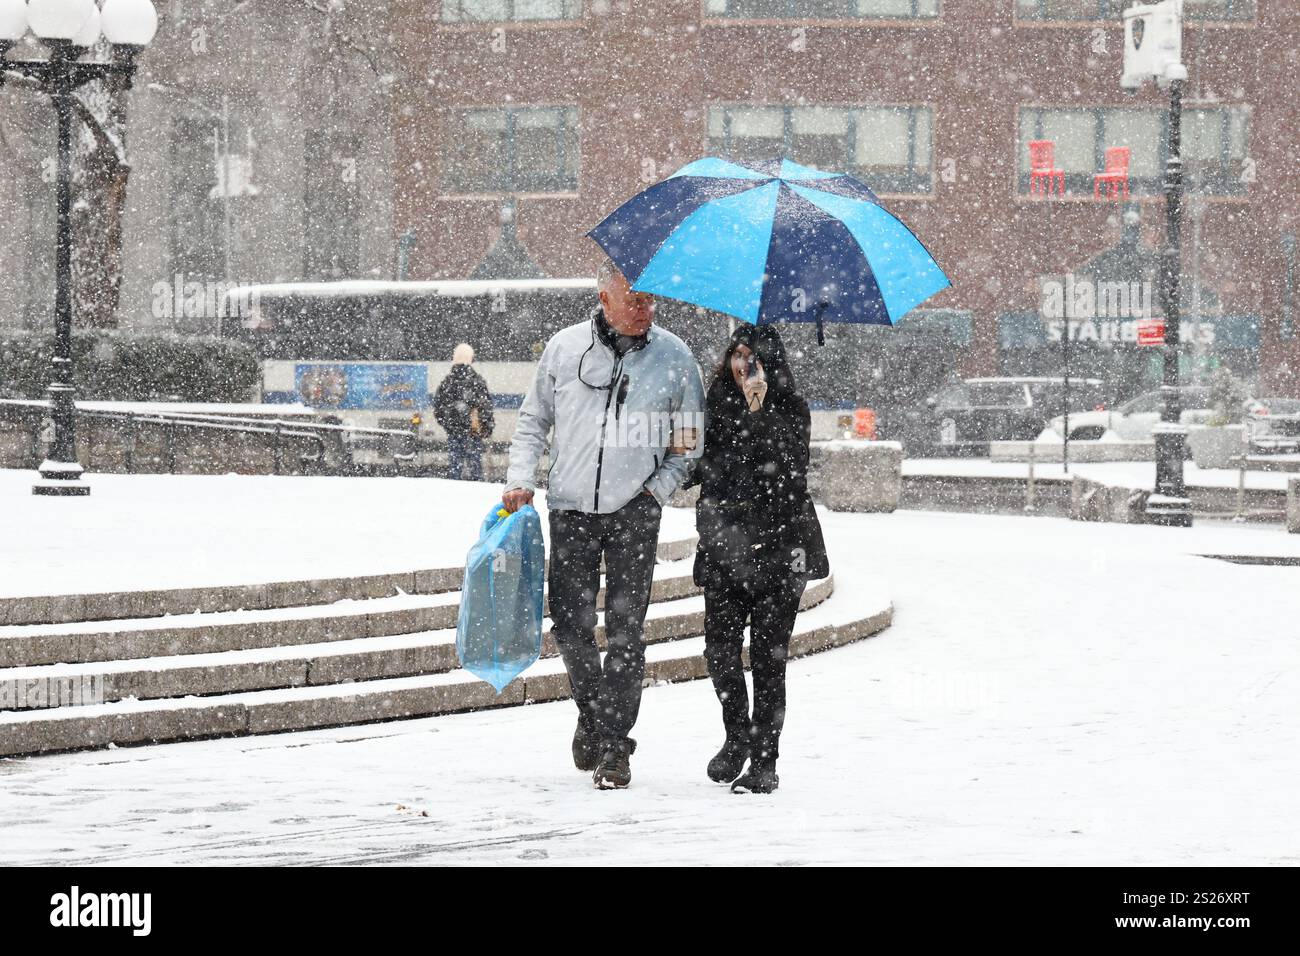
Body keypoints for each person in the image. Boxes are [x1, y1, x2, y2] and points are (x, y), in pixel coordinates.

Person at [503, 257, 706, 790]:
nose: (644, 310)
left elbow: (689, 443)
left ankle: (616, 746)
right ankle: (593, 713)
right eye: (633, 300)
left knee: (625, 632)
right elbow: (532, 423)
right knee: (570, 625)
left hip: (633, 514)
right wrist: (520, 478)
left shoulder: (676, 358)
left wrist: (655, 492)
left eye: (650, 301)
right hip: (569, 508)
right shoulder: (564, 348)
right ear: (605, 300)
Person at [689, 323, 828, 794]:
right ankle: (736, 736)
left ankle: (765, 760)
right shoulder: (715, 405)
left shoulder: (791, 408)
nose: (742, 364)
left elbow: (789, 471)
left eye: (753, 357)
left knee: (769, 661)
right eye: (736, 354)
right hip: (726, 546)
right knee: (720, 651)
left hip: (779, 547)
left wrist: (760, 409)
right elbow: (703, 467)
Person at [434, 343, 494, 481]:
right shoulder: (477, 381)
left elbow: (438, 409)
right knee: (475, 467)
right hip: (474, 432)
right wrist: (487, 427)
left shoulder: (447, 383)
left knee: (455, 467)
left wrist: (450, 425)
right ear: (471, 359)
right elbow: (486, 407)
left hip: (454, 432)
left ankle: (455, 494)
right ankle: (475, 493)